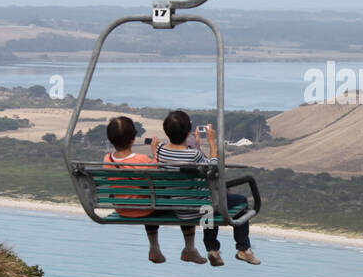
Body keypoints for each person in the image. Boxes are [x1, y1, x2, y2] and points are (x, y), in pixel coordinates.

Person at [155, 109, 260, 266]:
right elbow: (213, 169)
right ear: (187, 132)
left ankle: (213, 249)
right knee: (240, 201)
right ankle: (243, 249)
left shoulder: (161, 151)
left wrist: (195, 145)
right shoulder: (194, 155)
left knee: (209, 203)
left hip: (177, 207)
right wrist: (211, 143)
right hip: (200, 208)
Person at [102, 115, 204, 264]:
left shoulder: (107, 159)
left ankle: (154, 247)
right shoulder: (140, 160)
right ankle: (189, 248)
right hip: (145, 208)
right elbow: (155, 175)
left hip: (122, 208)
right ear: (133, 138)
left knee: (145, 199)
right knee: (182, 198)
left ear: (111, 139)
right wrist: (155, 153)